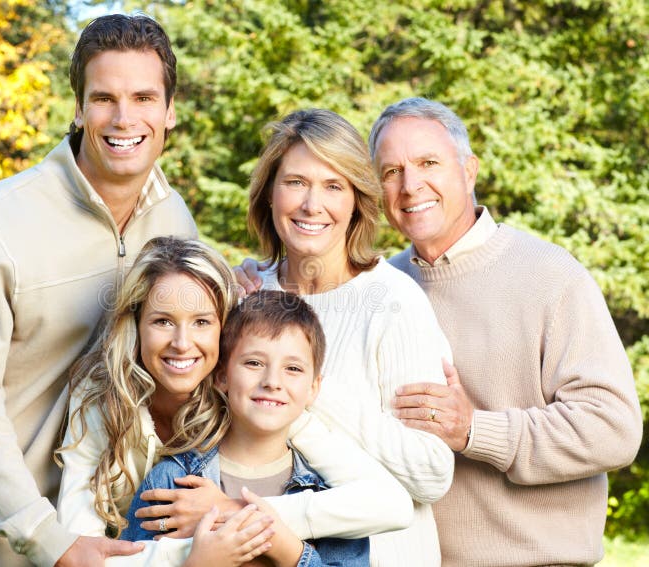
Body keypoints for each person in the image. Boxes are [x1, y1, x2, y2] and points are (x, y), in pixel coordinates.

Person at [0, 14, 197, 567]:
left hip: (92, 541)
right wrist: (46, 538)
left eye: (145, 97)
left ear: (169, 111)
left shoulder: (172, 220)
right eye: (104, 98)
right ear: (78, 109)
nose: (125, 118)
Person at [370, 96, 643, 566]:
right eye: (391, 171)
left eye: (428, 162)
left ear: (469, 169)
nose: (411, 185)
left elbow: (613, 427)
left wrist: (475, 429)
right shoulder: (380, 287)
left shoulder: (550, 275)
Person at [58, 239, 413, 562]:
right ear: (136, 324)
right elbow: (83, 549)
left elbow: (389, 505)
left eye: (201, 322)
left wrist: (236, 512)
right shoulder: (101, 397)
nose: (182, 342)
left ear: (225, 332)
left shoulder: (260, 404)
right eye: (163, 321)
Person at [220, 108, 455, 566]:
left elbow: (431, 473)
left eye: (333, 186)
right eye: (295, 183)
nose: (312, 204)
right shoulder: (245, 293)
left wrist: (308, 390)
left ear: (356, 201)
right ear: (268, 193)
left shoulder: (393, 302)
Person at [122, 290, 375, 566]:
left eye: (292, 368)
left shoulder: (329, 498)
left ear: (313, 388)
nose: (272, 381)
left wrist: (289, 551)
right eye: (254, 363)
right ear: (222, 376)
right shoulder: (172, 482)